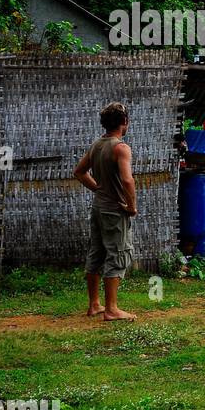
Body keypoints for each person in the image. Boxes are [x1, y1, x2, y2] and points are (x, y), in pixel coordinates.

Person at [72, 102, 138, 321]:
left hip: (99, 207)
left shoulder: (96, 145)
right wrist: (131, 206)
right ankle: (111, 309)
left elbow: (80, 172)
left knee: (97, 253)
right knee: (118, 253)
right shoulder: (121, 148)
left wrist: (98, 188)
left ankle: (94, 305)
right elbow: (128, 180)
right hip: (114, 210)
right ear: (124, 122)